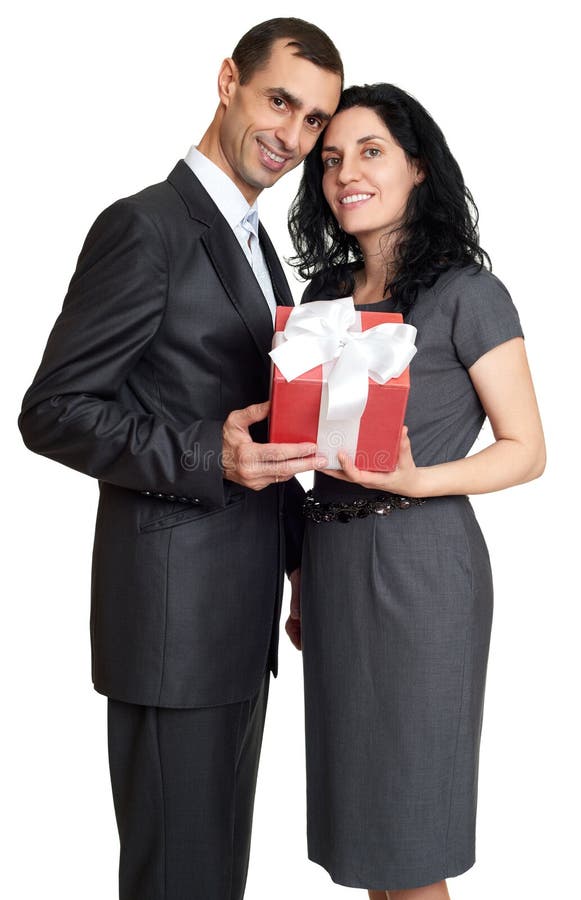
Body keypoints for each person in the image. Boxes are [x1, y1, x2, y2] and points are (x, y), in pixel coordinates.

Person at [18, 18, 342, 900]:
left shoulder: (256, 243)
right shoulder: (146, 227)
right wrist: (211, 454)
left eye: (315, 120)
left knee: (209, 880)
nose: (292, 135)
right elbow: (52, 411)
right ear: (228, 80)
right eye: (280, 101)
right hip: (174, 625)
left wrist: (299, 564)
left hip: (237, 624)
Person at [286, 83, 545, 899]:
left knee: (408, 832)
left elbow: (525, 450)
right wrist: (299, 572)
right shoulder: (322, 295)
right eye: (331, 159)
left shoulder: (468, 294)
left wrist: (416, 477)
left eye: (369, 152)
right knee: (365, 834)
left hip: (420, 566)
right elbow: (309, 445)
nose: (344, 173)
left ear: (417, 169)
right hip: (329, 564)